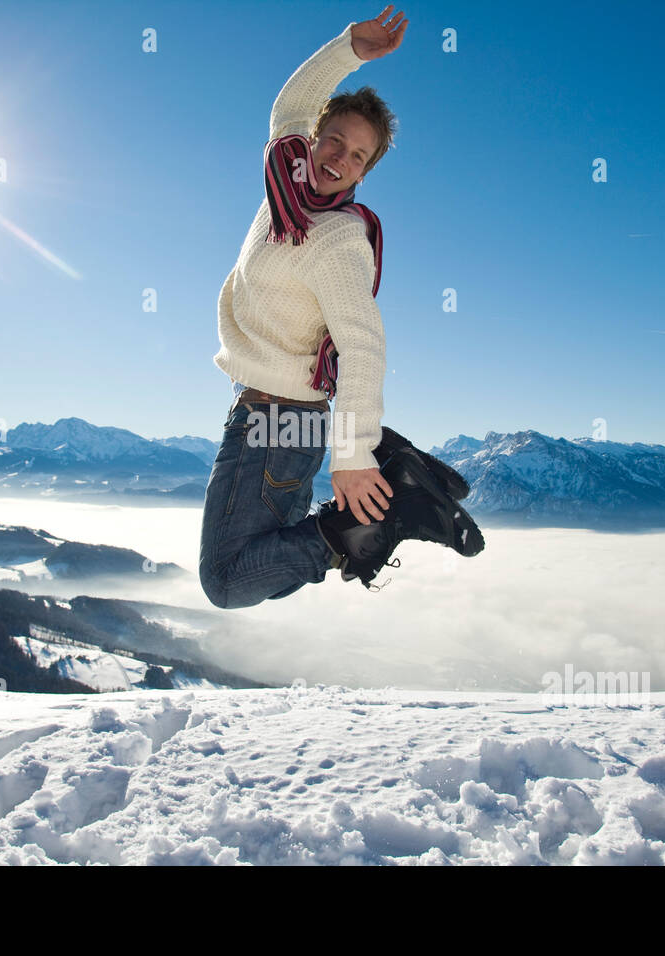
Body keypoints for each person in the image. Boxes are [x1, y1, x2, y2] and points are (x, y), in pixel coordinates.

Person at [199, 7, 482, 610]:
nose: (339, 159)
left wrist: (353, 457)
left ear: (365, 172)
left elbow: (363, 346)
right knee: (246, 571)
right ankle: (381, 499)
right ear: (315, 137)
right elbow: (290, 106)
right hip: (268, 417)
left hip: (278, 425)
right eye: (335, 140)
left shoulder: (335, 239)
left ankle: (370, 519)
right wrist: (350, 48)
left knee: (227, 580)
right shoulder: (284, 189)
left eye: (358, 156)